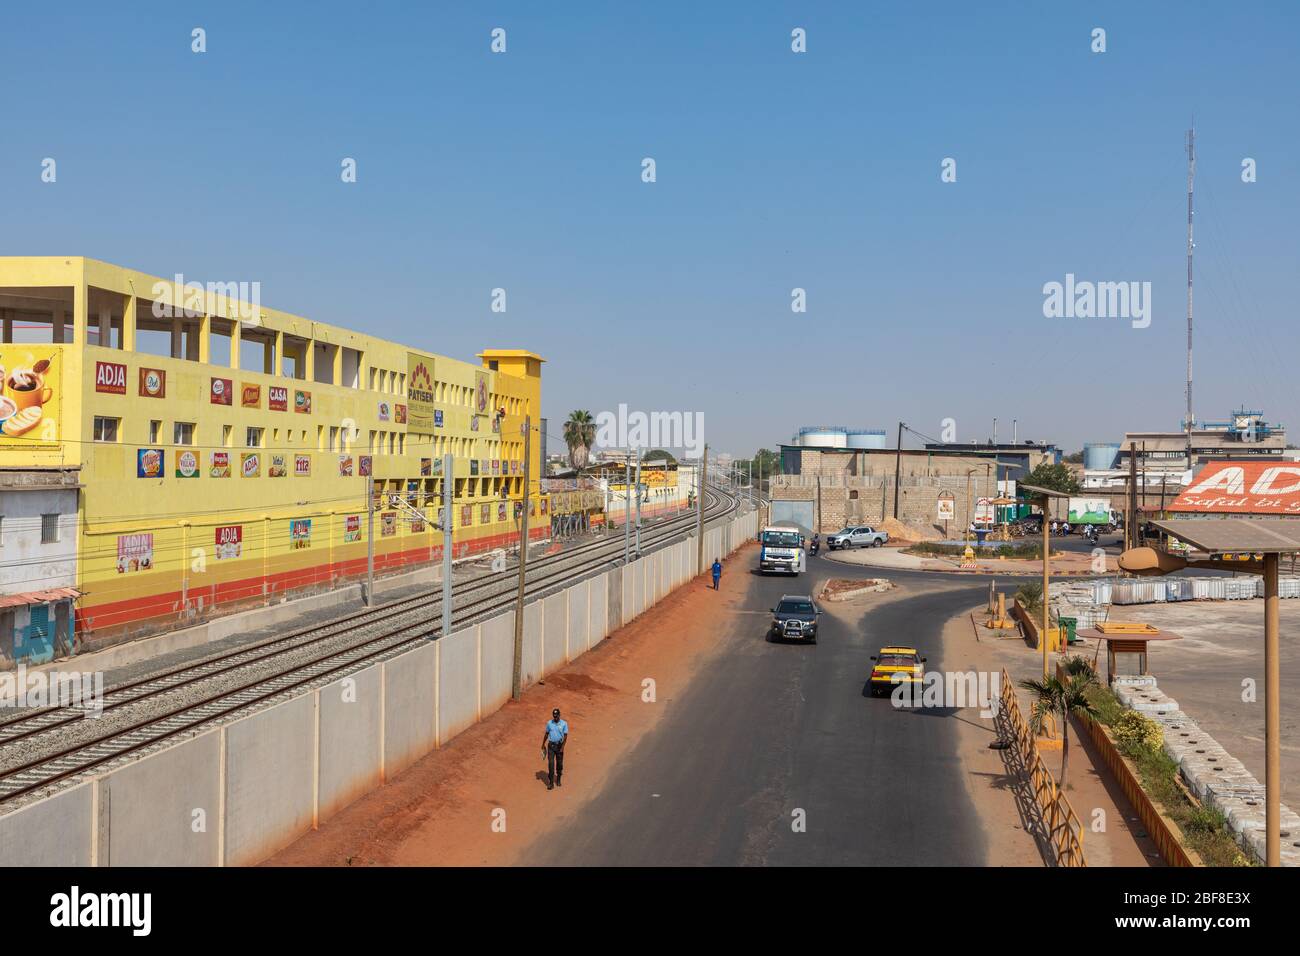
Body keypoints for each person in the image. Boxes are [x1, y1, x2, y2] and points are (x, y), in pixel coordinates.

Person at [541, 708, 569, 790]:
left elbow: (566, 736)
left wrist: (563, 747)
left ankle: (559, 778)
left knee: (559, 764)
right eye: (554, 716)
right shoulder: (549, 723)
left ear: (559, 715)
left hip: (559, 746)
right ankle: (551, 783)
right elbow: (546, 734)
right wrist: (543, 744)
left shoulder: (564, 724)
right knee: (551, 764)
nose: (555, 718)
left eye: (556, 716)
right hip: (551, 746)